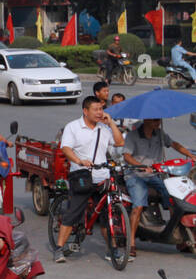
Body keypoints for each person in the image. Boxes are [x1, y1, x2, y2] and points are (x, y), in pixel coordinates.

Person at [53, 95, 125, 263]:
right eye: (96, 109)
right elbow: (66, 148)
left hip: (102, 176)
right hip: (81, 176)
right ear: (85, 111)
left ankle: (112, 249)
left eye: (101, 109)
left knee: (108, 215)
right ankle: (59, 248)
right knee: (73, 212)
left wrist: (111, 123)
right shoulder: (73, 127)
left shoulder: (104, 129)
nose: (100, 113)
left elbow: (120, 143)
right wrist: (79, 161)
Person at [124, 118, 195, 260]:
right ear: (146, 120)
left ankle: (178, 234)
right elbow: (127, 156)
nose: (157, 122)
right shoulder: (133, 135)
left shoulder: (159, 134)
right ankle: (130, 242)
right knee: (138, 205)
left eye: (158, 119)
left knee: (174, 198)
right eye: (154, 120)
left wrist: (190, 155)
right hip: (135, 175)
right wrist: (141, 166)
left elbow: (174, 144)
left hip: (155, 175)